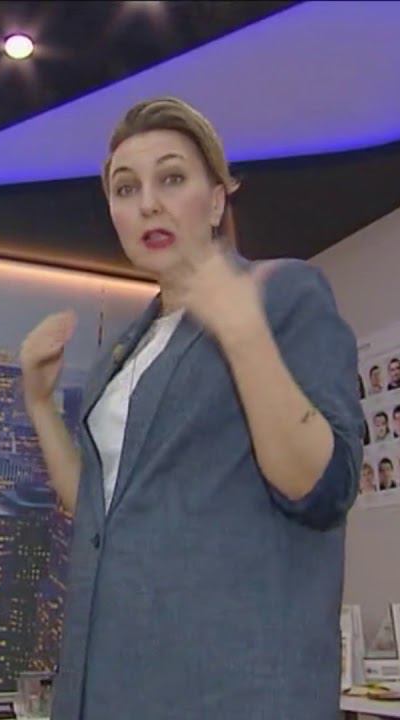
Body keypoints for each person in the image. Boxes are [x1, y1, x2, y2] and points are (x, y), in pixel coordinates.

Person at [20, 97, 362, 720]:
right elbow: (99, 509)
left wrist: (244, 334)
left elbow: (323, 486)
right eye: (126, 189)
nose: (148, 203)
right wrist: (40, 404)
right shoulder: (122, 353)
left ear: (216, 201)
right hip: (105, 684)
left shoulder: (283, 291)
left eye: (172, 178)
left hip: (226, 690)